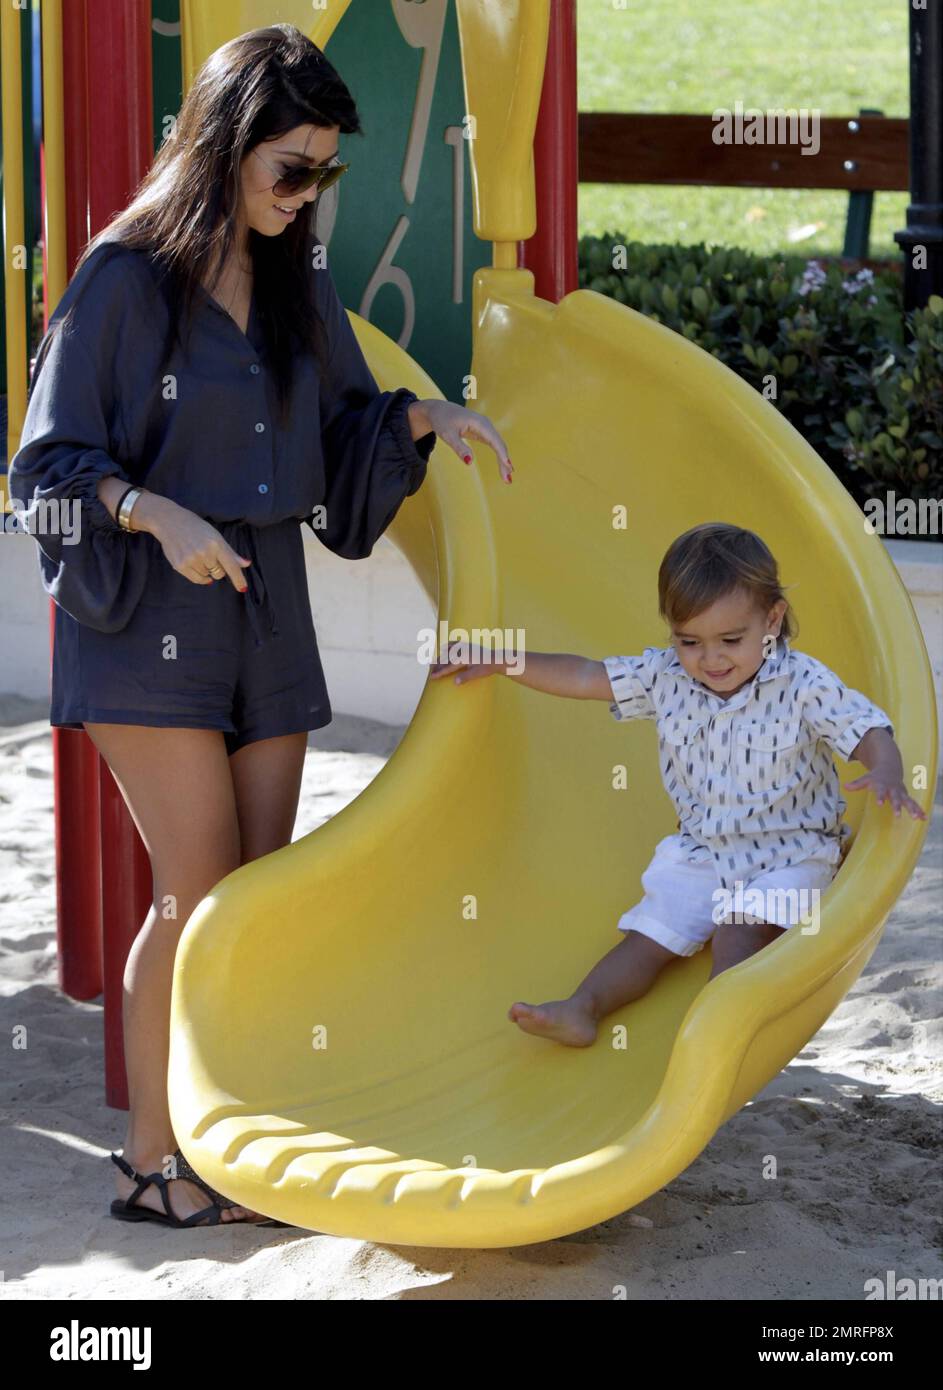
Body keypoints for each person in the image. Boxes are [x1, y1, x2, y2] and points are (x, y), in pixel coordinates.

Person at [8, 24, 511, 1228]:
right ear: (225, 147)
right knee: (196, 893)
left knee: (254, 903)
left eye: (323, 172)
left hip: (268, 606)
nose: (307, 194)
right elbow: (45, 470)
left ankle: (228, 1143)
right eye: (291, 167)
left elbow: (344, 431)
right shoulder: (124, 278)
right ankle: (149, 1161)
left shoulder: (299, 279)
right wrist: (147, 508)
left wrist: (423, 420)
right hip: (144, 616)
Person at [429, 522, 925, 1048]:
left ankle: (715, 1031)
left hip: (792, 853)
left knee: (740, 930)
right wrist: (504, 662)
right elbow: (584, 676)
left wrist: (886, 769)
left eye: (731, 641)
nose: (710, 660)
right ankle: (583, 1008)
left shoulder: (804, 684)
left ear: (772, 620)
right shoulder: (667, 676)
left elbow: (865, 728)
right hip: (704, 850)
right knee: (648, 935)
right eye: (690, 641)